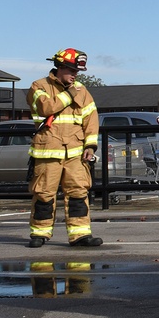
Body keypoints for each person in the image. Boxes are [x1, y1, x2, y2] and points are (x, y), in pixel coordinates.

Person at [27, 48, 102, 248]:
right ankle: (39, 234)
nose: (75, 74)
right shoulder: (39, 86)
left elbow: (91, 119)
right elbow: (45, 108)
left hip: (76, 153)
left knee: (78, 193)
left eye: (77, 71)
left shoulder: (82, 90)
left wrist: (91, 146)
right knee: (44, 194)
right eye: (71, 69)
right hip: (48, 151)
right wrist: (69, 94)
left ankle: (80, 235)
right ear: (59, 67)